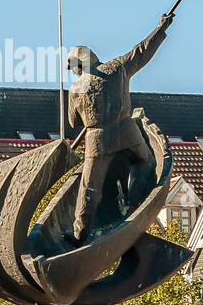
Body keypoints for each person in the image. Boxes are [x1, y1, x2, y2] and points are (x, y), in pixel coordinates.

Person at [67, 14, 172, 242]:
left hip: (97, 140)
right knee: (145, 161)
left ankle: (79, 233)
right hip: (126, 131)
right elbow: (141, 52)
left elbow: (73, 123)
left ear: (78, 66)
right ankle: (134, 204)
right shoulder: (116, 68)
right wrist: (161, 29)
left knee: (89, 187)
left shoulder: (75, 89)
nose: (73, 72)